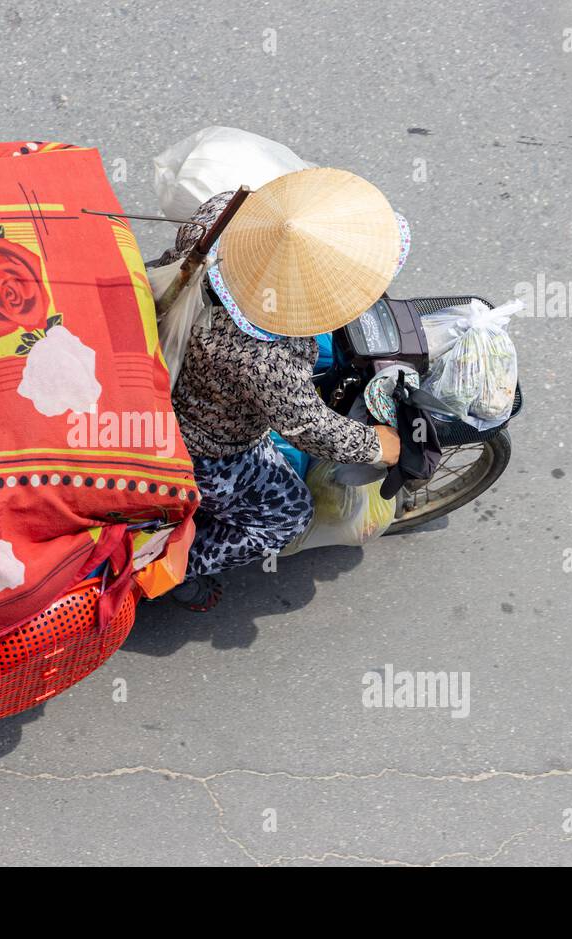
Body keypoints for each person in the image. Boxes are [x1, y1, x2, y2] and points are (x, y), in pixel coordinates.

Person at [158, 169, 410, 610]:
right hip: (200, 444)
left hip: (165, 350)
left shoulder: (224, 216)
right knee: (286, 518)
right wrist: (377, 446)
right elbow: (309, 427)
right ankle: (171, 568)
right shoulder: (268, 358)